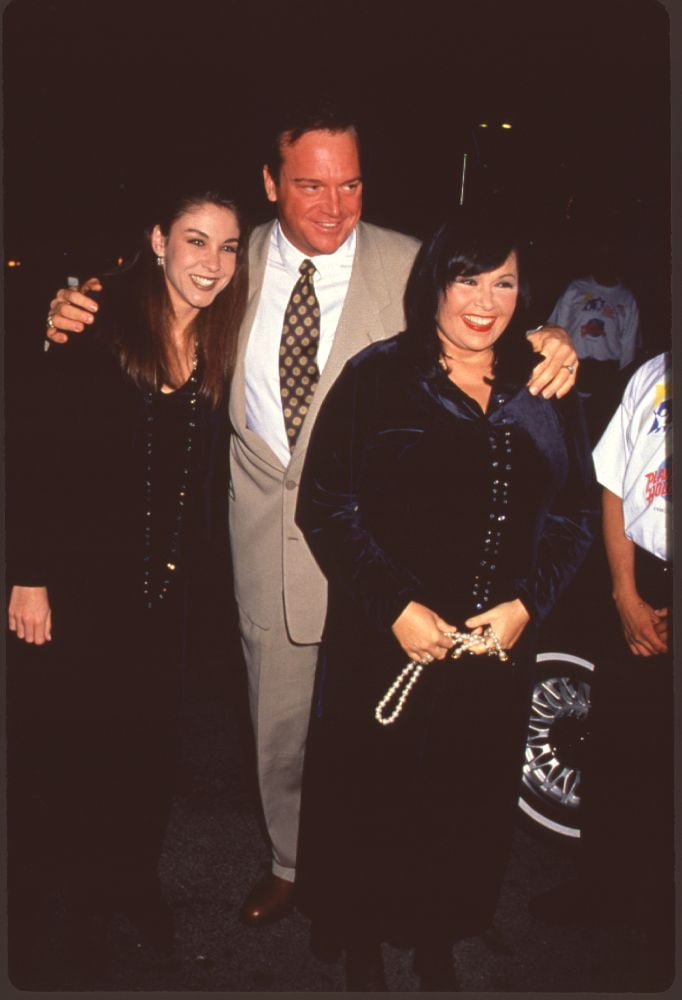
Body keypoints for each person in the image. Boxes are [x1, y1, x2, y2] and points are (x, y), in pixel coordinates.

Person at [44, 101, 580, 928]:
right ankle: (293, 861)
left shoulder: (411, 262)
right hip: (264, 535)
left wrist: (551, 335)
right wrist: (69, 305)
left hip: (390, 548)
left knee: (386, 727)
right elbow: (148, 296)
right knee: (280, 724)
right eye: (309, 186)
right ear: (270, 184)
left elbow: (485, 315)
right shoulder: (234, 260)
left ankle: (379, 876)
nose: (334, 206)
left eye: (352, 184)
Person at [294, 209, 599, 991]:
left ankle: (436, 937)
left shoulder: (547, 384)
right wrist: (395, 606)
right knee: (372, 796)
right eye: (467, 278)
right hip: (383, 641)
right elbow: (325, 505)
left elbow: (572, 513)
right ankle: (360, 939)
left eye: (504, 281)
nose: (485, 300)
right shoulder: (378, 376)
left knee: (461, 804)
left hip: (491, 654)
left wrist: (527, 607)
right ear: (433, 281)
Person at [7, 189, 248, 986]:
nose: (211, 264)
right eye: (195, 241)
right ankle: (52, 907)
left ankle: (129, 885)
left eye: (227, 247)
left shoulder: (223, 335)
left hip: (171, 596)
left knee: (149, 749)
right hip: (82, 586)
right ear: (156, 240)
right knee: (67, 748)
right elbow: (36, 451)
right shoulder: (97, 324)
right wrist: (29, 573)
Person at [529, 352, 673, 988]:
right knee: (616, 746)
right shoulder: (655, 372)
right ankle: (599, 888)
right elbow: (611, 483)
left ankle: (663, 931)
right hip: (640, 577)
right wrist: (624, 593)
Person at [547, 230, 640, 440]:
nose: (605, 260)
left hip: (605, 374)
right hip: (573, 367)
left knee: (596, 433)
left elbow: (628, 345)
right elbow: (556, 327)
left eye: (611, 256)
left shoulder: (626, 298)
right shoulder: (576, 288)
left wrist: (618, 382)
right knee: (565, 432)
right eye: (601, 255)